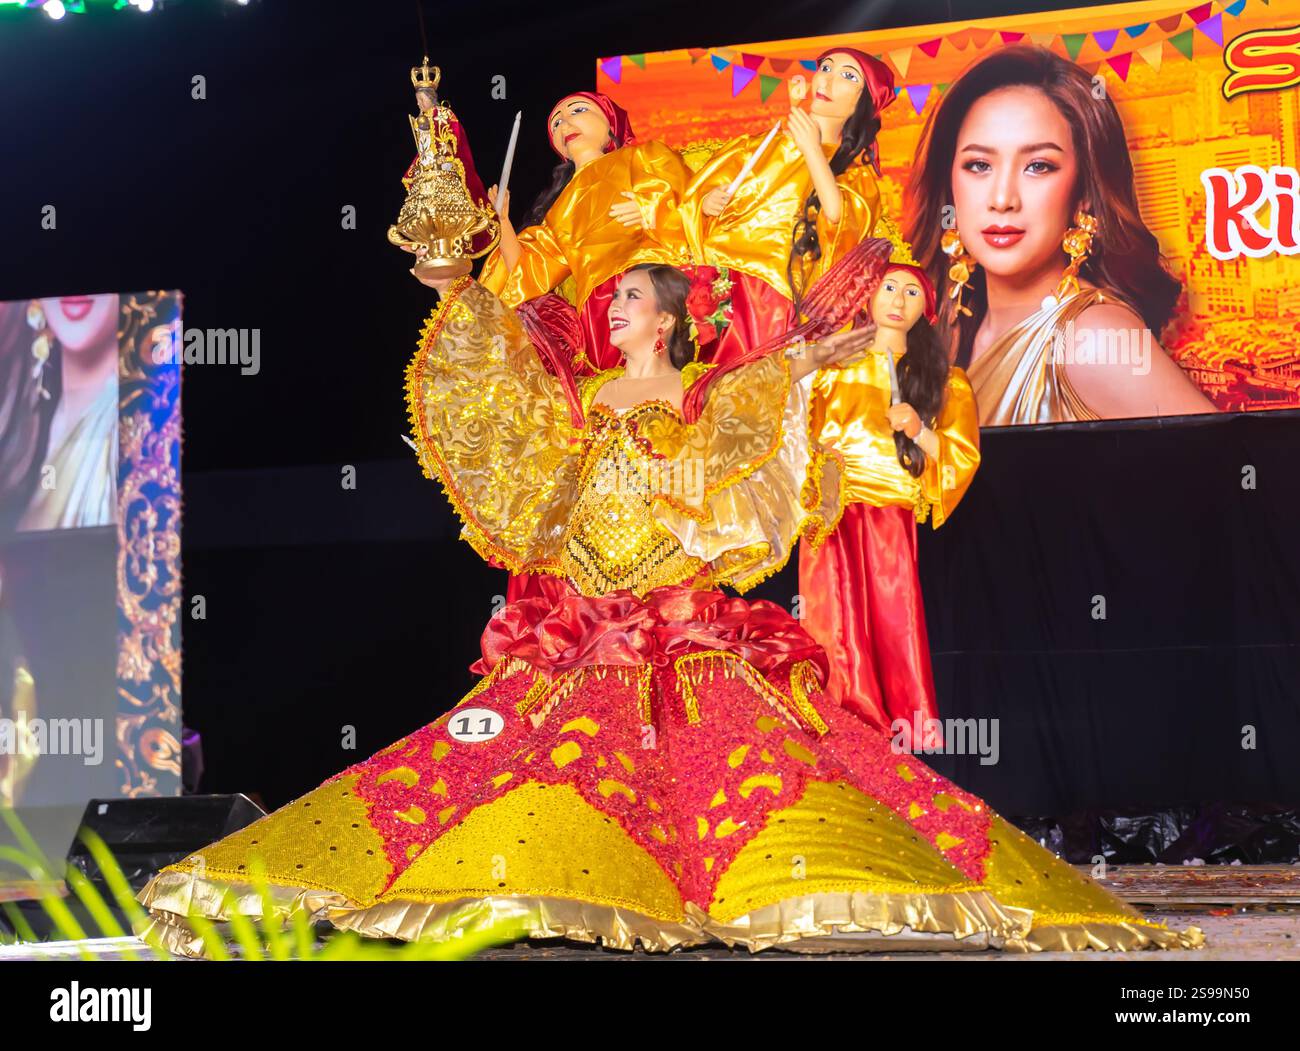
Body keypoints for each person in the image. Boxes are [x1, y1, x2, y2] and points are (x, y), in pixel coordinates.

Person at [136, 263, 1201, 957]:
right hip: (577, 624)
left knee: (741, 768)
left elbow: (758, 409)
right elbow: (507, 403)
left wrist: (811, 357)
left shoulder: (697, 396)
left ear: (673, 320)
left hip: (678, 621)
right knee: (485, 766)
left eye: (633, 302)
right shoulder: (586, 399)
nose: (614, 312)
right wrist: (456, 285)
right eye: (609, 304)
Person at [905, 45, 1214, 425]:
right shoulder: (946, 325)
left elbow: (1228, 468)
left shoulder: (1092, 338)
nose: (1002, 199)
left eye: (1038, 166)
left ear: (1083, 192)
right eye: (979, 165)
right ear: (949, 181)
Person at [801, 258, 979, 736]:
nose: (898, 301)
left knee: (892, 622)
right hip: (830, 510)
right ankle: (840, 730)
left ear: (928, 309)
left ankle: (896, 735)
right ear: (868, 295)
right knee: (832, 625)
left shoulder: (944, 381)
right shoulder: (828, 370)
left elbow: (959, 456)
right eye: (888, 288)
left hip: (888, 513)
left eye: (911, 292)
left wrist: (919, 429)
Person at [679, 47, 893, 366]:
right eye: (826, 68)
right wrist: (706, 204)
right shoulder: (760, 146)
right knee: (708, 382)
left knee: (754, 388)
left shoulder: (855, 174)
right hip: (720, 284)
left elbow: (838, 217)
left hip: (772, 297)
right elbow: (695, 199)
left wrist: (812, 149)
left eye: (848, 76)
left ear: (865, 102)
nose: (829, 79)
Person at [478, 91, 692, 373]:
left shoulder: (644, 155)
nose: (564, 124)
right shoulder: (560, 208)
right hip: (600, 308)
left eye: (577, 111)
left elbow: (690, 202)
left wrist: (650, 210)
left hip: (655, 282)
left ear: (611, 125)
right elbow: (528, 269)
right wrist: (503, 221)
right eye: (556, 124)